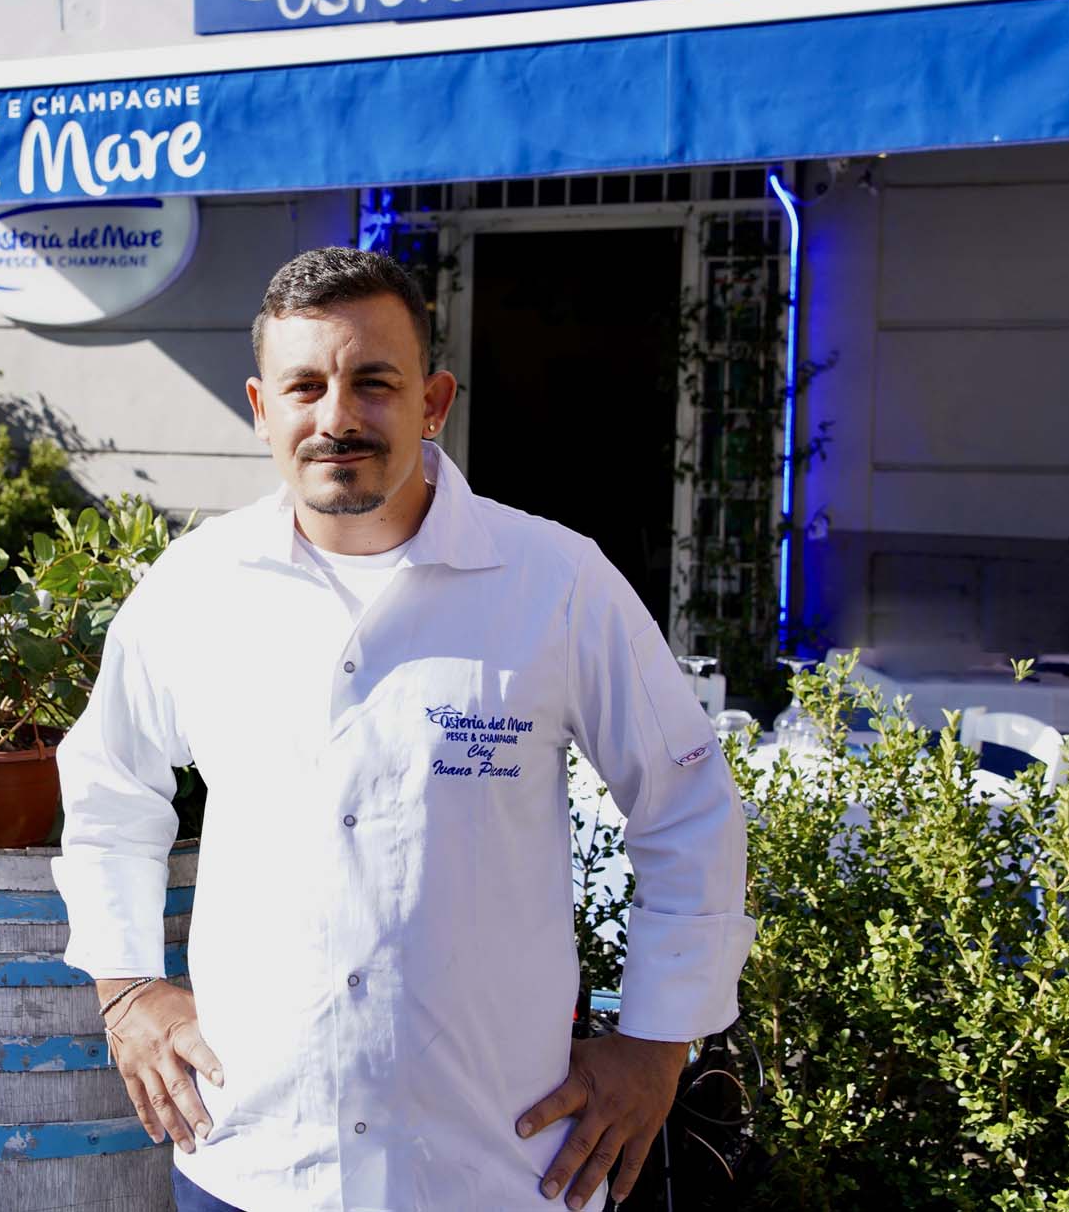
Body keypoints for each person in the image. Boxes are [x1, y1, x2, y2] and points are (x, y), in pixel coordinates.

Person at [51, 247, 754, 1211]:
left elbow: (688, 807)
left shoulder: (555, 582)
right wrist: (127, 989)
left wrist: (654, 1042)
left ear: (433, 402)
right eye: (304, 386)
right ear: (260, 408)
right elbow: (108, 794)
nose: (335, 417)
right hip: (254, 1158)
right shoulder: (194, 589)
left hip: (500, 1164)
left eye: (372, 383)